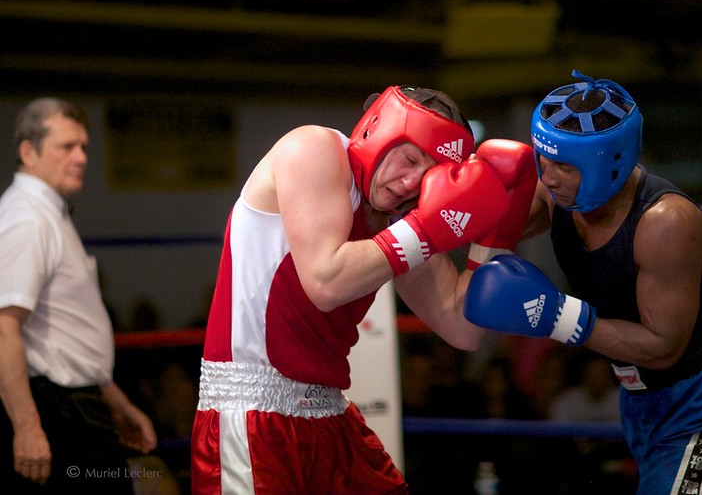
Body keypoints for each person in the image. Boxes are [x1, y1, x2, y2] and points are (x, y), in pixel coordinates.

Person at [190, 85, 538, 493]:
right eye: (409, 159)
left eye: (427, 175)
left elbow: (461, 327)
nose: (409, 183)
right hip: (251, 418)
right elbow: (326, 280)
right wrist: (428, 227)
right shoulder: (313, 149)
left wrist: (497, 227)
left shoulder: (399, 221)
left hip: (330, 416)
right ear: (379, 129)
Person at [465, 71, 702, 494]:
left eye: (564, 165)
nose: (550, 176)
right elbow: (491, 230)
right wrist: (445, 207)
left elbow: (663, 346)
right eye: (544, 161)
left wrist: (558, 317)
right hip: (641, 396)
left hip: (701, 395)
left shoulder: (665, 223)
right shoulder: (555, 192)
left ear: (609, 160)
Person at [0, 98, 157, 493]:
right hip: (58, 414)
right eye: (66, 146)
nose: (81, 157)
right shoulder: (28, 218)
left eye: (84, 147)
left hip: (77, 406)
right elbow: (3, 327)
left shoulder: (48, 213)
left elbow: (63, 335)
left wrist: (115, 402)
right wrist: (27, 428)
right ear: (28, 152)